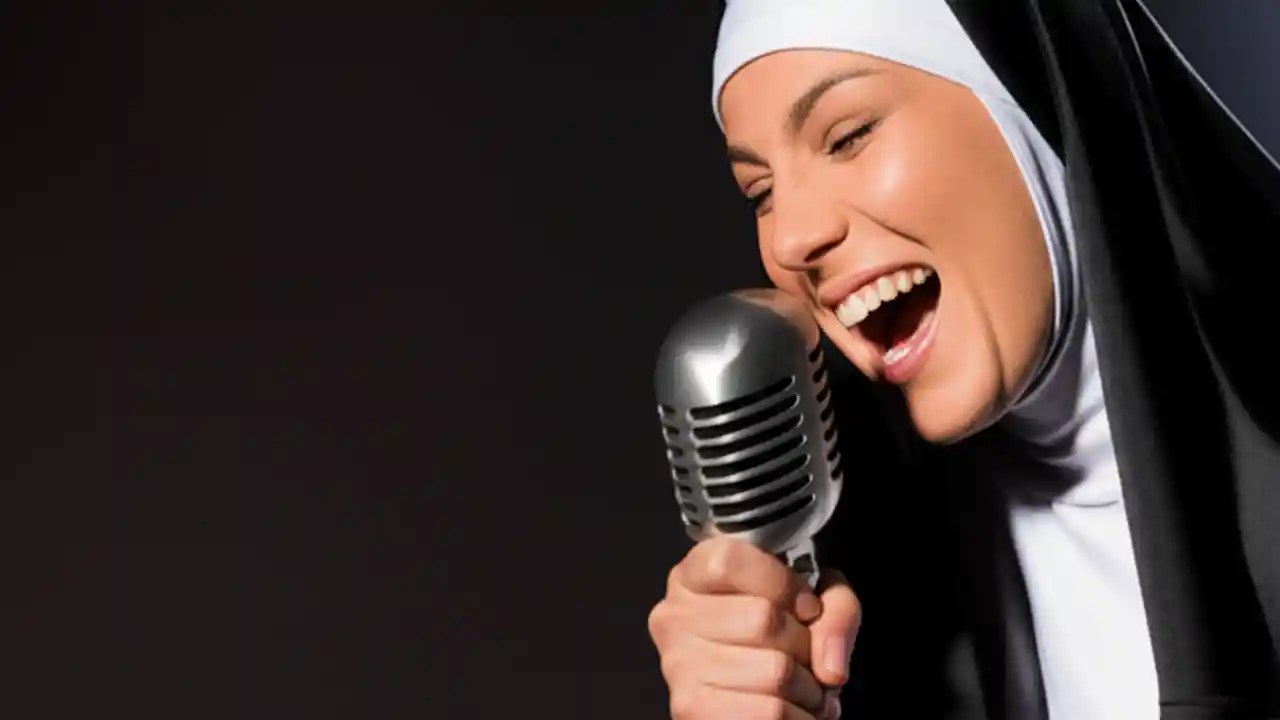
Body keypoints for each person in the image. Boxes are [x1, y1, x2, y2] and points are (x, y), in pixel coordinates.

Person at [646, 1, 1280, 718]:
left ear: (1034, 111)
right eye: (761, 193)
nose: (791, 239)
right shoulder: (850, 585)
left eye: (848, 135)